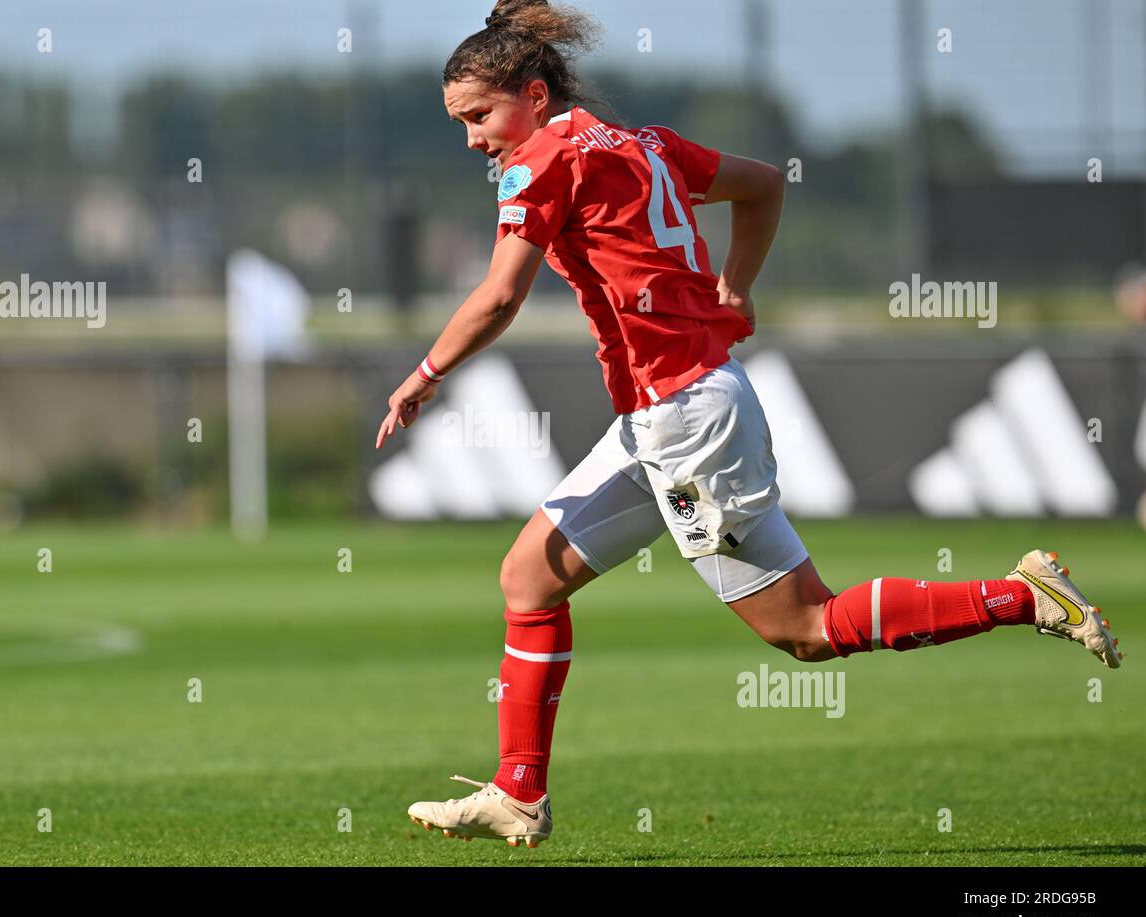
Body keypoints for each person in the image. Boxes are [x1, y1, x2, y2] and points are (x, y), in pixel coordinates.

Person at [373, 0, 1122, 848]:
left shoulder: (539, 163)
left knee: (805, 630)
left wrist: (424, 375)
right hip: (663, 413)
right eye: (462, 124)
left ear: (535, 96)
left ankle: (1022, 598)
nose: (474, 139)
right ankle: (518, 791)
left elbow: (502, 294)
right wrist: (737, 283)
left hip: (687, 421)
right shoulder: (644, 143)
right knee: (528, 579)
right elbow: (765, 183)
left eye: (481, 117)